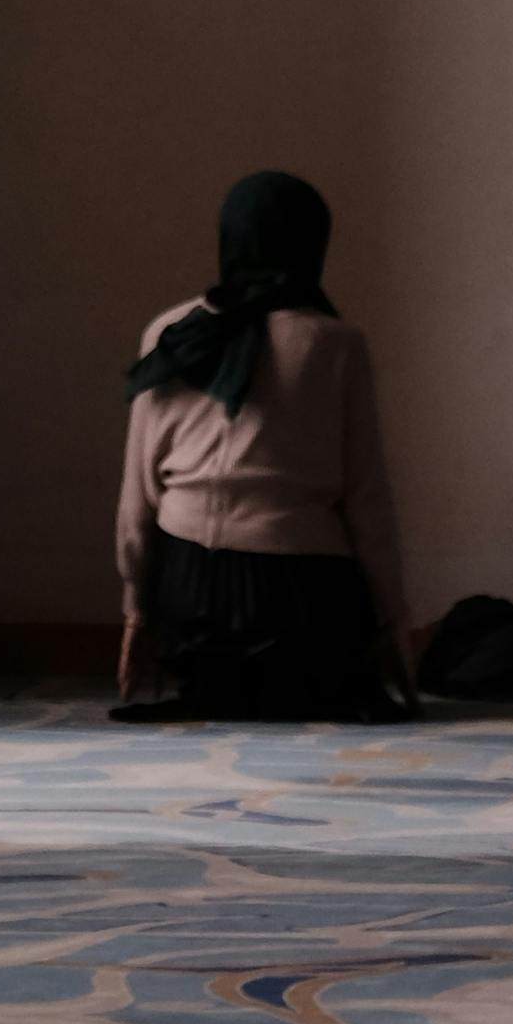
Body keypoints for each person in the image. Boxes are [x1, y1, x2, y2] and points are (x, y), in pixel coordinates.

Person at [115, 170, 411, 717]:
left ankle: (217, 682)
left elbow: (139, 498)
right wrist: (393, 619)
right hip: (298, 603)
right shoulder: (336, 343)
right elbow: (368, 502)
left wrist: (136, 613)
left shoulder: (170, 335)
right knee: (319, 680)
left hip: (188, 603)